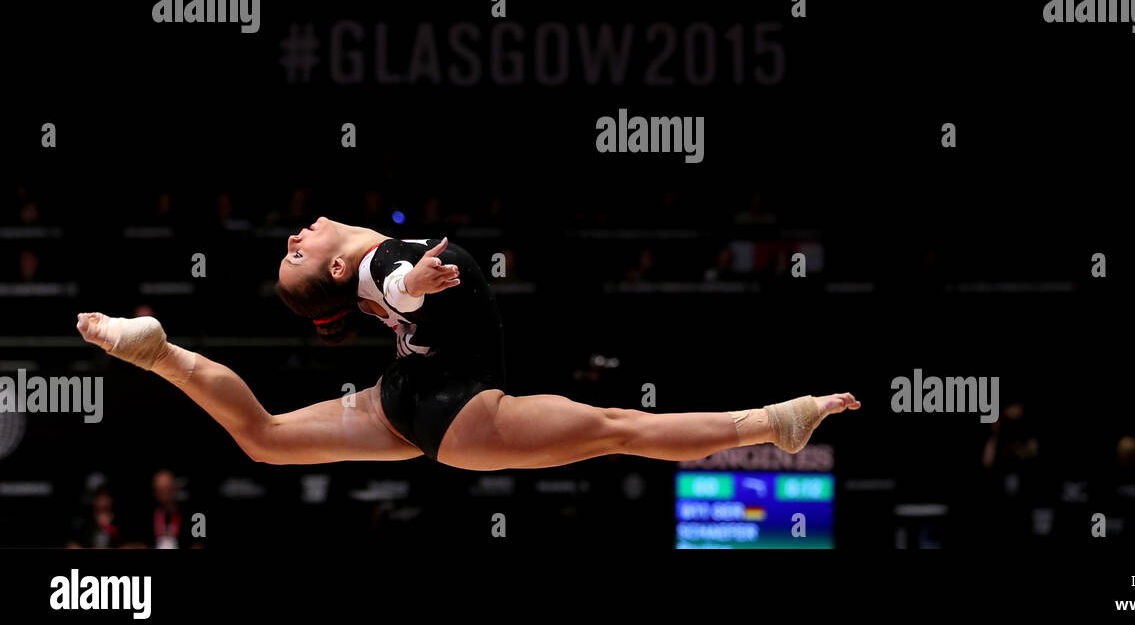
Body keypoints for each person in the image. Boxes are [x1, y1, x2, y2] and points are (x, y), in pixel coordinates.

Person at [77, 216, 858, 470]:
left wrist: (412, 288)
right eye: (296, 252)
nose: (294, 234)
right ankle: (773, 421)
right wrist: (415, 284)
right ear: (340, 268)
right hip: (452, 409)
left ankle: (160, 354)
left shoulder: (374, 264)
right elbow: (395, 283)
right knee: (621, 427)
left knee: (266, 439)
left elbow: (392, 288)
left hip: (406, 398)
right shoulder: (384, 265)